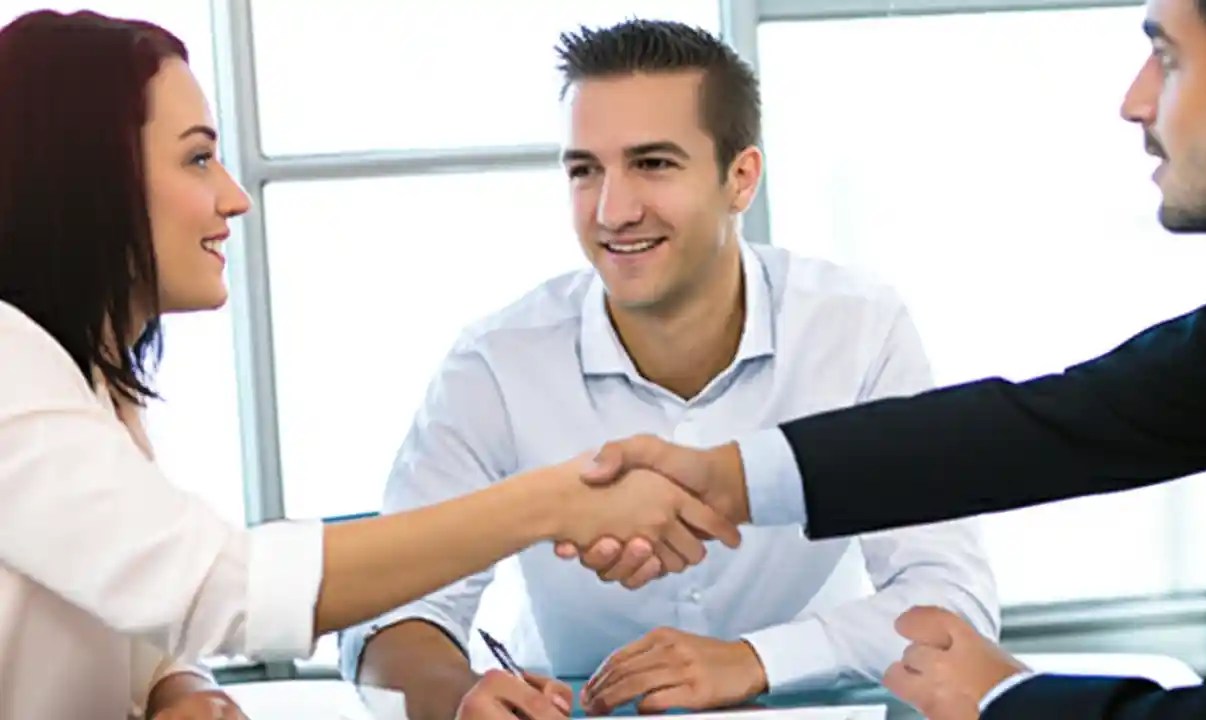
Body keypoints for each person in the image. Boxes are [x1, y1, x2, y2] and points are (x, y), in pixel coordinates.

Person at [0, 10, 738, 719]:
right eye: (198, 158)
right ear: (89, 176)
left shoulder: (83, 382)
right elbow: (217, 588)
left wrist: (176, 687)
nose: (233, 197)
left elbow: (125, 599)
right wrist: (551, 502)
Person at [570, 0, 1206, 717]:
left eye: (1168, 59)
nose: (1134, 101)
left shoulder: (851, 317)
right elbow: (1057, 424)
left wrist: (1004, 697)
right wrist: (730, 478)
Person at [339, 18, 998, 720]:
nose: (612, 211)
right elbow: (389, 614)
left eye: (652, 164)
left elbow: (950, 599)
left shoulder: (857, 329)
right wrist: (462, 698)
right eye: (584, 170)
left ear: (740, 178)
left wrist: (755, 659)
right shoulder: (496, 364)